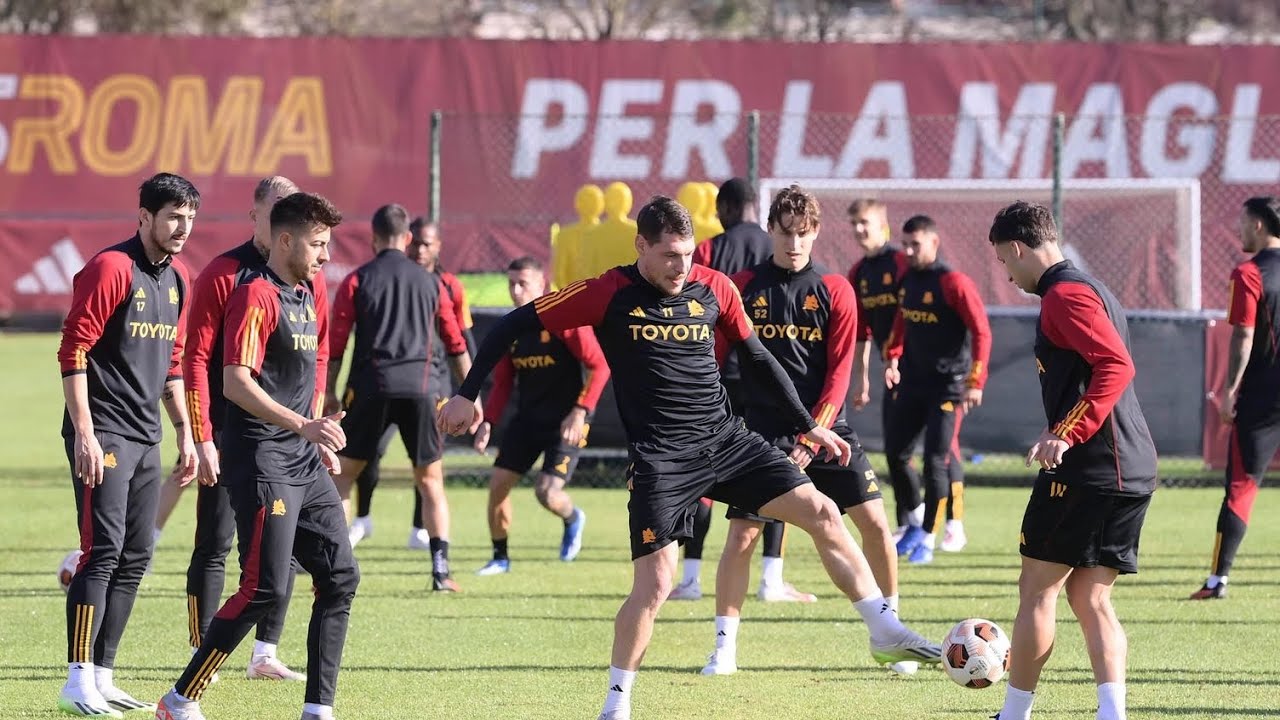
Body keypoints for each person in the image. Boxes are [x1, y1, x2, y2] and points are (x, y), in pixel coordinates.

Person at [436, 195, 940, 720]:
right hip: (662, 460)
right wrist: (467, 393)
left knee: (822, 512)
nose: (682, 267)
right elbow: (507, 326)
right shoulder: (607, 291)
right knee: (655, 587)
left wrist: (808, 424)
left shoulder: (714, 286)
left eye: (689, 254)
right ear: (641, 247)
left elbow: (759, 360)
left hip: (727, 440)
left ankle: (884, 631)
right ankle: (617, 703)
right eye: (671, 255)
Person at [155, 192, 357, 720]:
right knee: (265, 586)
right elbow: (235, 382)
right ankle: (180, 699)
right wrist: (301, 425)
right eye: (317, 245)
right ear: (285, 240)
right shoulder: (254, 295)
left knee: (341, 578)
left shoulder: (307, 291)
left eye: (328, 245)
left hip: (303, 460)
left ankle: (318, 709)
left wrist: (315, 435)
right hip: (262, 461)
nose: (325, 256)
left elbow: (303, 377)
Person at [701, 185, 900, 676]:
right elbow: (714, 358)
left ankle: (891, 632)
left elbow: (838, 376)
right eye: (786, 233)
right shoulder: (742, 285)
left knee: (875, 522)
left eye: (804, 234)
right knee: (743, 536)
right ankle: (724, 649)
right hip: (762, 435)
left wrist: (814, 435)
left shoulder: (836, 289)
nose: (794, 243)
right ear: (770, 230)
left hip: (828, 429)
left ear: (816, 233)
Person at [988, 201, 1156, 720]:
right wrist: (1058, 423)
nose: (1008, 274)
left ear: (1017, 247)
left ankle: (1014, 715)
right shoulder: (1094, 288)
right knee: (1090, 598)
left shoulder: (1062, 296)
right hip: (1129, 468)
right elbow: (1094, 376)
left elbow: (1115, 366)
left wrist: (1066, 431)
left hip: (1089, 470)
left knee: (1036, 589)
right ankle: (1113, 714)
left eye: (1003, 262)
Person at [56, 173, 199, 718]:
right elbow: (73, 350)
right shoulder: (111, 268)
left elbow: (175, 365)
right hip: (104, 432)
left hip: (147, 436)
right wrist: (86, 434)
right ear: (144, 217)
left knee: (137, 556)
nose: (182, 227)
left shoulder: (179, 278)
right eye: (172, 216)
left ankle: (103, 673)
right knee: (102, 552)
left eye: (189, 217)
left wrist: (186, 431)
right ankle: (76, 677)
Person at [180, 176, 307, 684]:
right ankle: (202, 655)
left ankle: (265, 652)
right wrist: (202, 435)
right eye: (273, 210)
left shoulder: (303, 276)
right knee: (214, 540)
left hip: (285, 440)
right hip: (230, 435)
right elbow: (195, 359)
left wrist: (310, 423)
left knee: (287, 547)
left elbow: (313, 356)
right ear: (254, 216)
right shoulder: (223, 273)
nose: (282, 220)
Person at [672, 176, 811, 604]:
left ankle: (691, 577)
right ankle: (771, 579)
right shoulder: (777, 255)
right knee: (780, 470)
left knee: (706, 475)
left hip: (718, 374)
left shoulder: (712, 249)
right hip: (768, 375)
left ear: (725, 209)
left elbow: (692, 301)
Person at [326, 205, 473, 592]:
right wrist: (470, 395)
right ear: (407, 238)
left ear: (374, 239)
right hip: (423, 390)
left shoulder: (358, 280)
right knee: (430, 481)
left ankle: (335, 569)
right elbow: (455, 342)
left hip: (371, 387)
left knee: (342, 478)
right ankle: (441, 572)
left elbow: (336, 344)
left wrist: (326, 391)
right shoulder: (432, 283)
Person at [473, 256, 610, 574]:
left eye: (523, 284)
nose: (516, 291)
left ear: (541, 285)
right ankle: (500, 558)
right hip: (528, 420)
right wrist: (488, 422)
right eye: (511, 284)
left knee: (546, 493)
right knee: (497, 486)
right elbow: (504, 382)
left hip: (567, 421)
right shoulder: (512, 328)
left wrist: (580, 411)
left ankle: (573, 517)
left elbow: (600, 366)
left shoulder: (564, 320)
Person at [882, 215, 990, 565]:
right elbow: (902, 319)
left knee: (935, 461)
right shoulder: (908, 278)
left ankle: (928, 537)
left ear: (933, 242)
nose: (909, 250)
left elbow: (981, 332)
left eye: (916, 244)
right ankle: (915, 521)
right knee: (896, 453)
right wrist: (894, 355)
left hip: (948, 386)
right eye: (906, 244)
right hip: (913, 382)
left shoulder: (953, 282)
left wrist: (975, 381)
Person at [1193, 196, 1280, 600]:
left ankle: (1217, 580)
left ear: (1259, 226)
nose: (1239, 230)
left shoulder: (1248, 273)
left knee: (1242, 486)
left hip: (1264, 396)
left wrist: (1229, 391)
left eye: (1243, 223)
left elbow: (1244, 336)